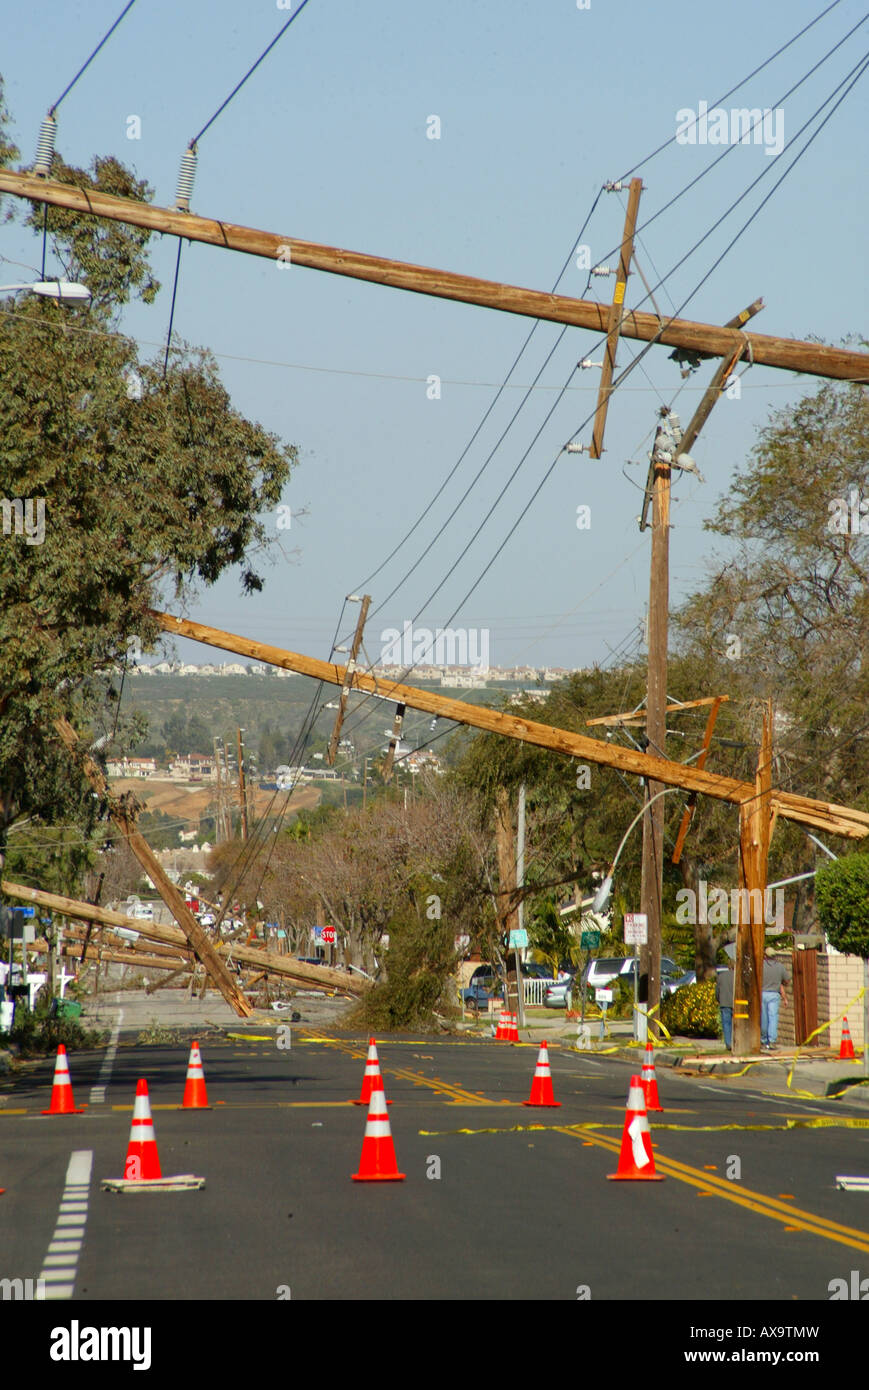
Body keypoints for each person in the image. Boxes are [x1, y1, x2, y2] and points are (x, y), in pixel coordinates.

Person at [761, 947, 790, 1051]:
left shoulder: (761, 966)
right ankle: (772, 1041)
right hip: (774, 994)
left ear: (765, 955)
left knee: (764, 1018)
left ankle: (764, 1041)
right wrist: (781, 983)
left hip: (762, 994)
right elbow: (787, 980)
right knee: (773, 1017)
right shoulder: (780, 967)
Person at [715, 960, 734, 1050]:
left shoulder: (721, 976)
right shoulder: (737, 977)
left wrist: (718, 999)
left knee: (726, 1024)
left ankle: (728, 1043)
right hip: (736, 1003)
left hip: (724, 1002)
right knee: (736, 1024)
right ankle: (735, 1042)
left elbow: (717, 991)